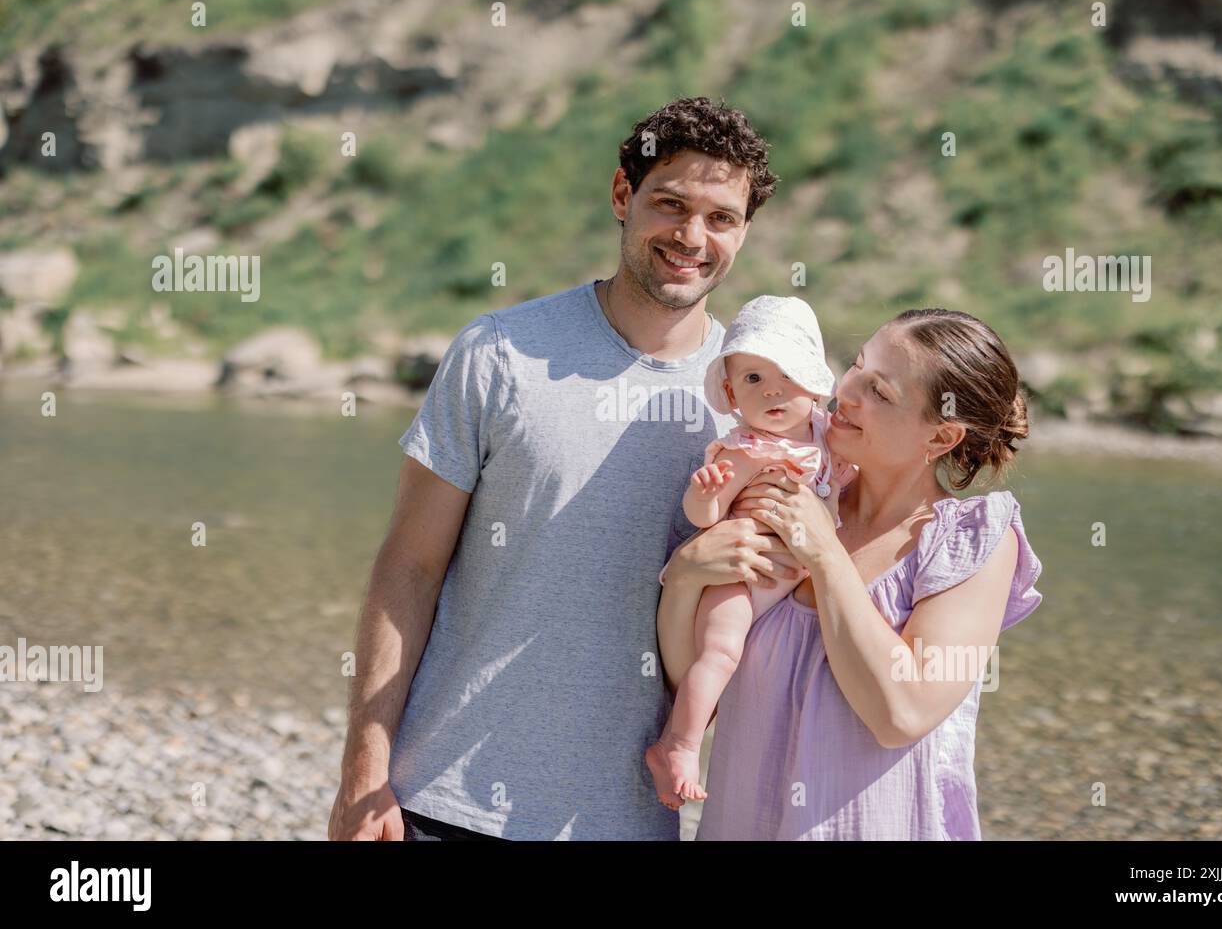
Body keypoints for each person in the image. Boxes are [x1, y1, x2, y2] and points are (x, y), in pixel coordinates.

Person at [327, 96, 799, 840]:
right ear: (622, 196)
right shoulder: (500, 353)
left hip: (625, 817)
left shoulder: (756, 404)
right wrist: (364, 768)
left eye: (721, 218)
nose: (691, 237)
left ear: (743, 230)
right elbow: (408, 569)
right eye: (669, 204)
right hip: (440, 801)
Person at [656, 307, 1045, 839]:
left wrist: (824, 552)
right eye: (857, 367)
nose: (847, 392)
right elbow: (692, 683)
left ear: (941, 437)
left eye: (880, 392)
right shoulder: (786, 492)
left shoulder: (969, 540)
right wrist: (684, 576)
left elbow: (901, 714)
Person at [645, 294, 855, 809]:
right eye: (753, 379)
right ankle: (679, 742)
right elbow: (705, 517)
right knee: (719, 652)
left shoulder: (831, 439)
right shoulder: (747, 449)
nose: (773, 391)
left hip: (793, 585)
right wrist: (705, 489)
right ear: (732, 394)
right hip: (742, 576)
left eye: (786, 374)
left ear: (814, 382)